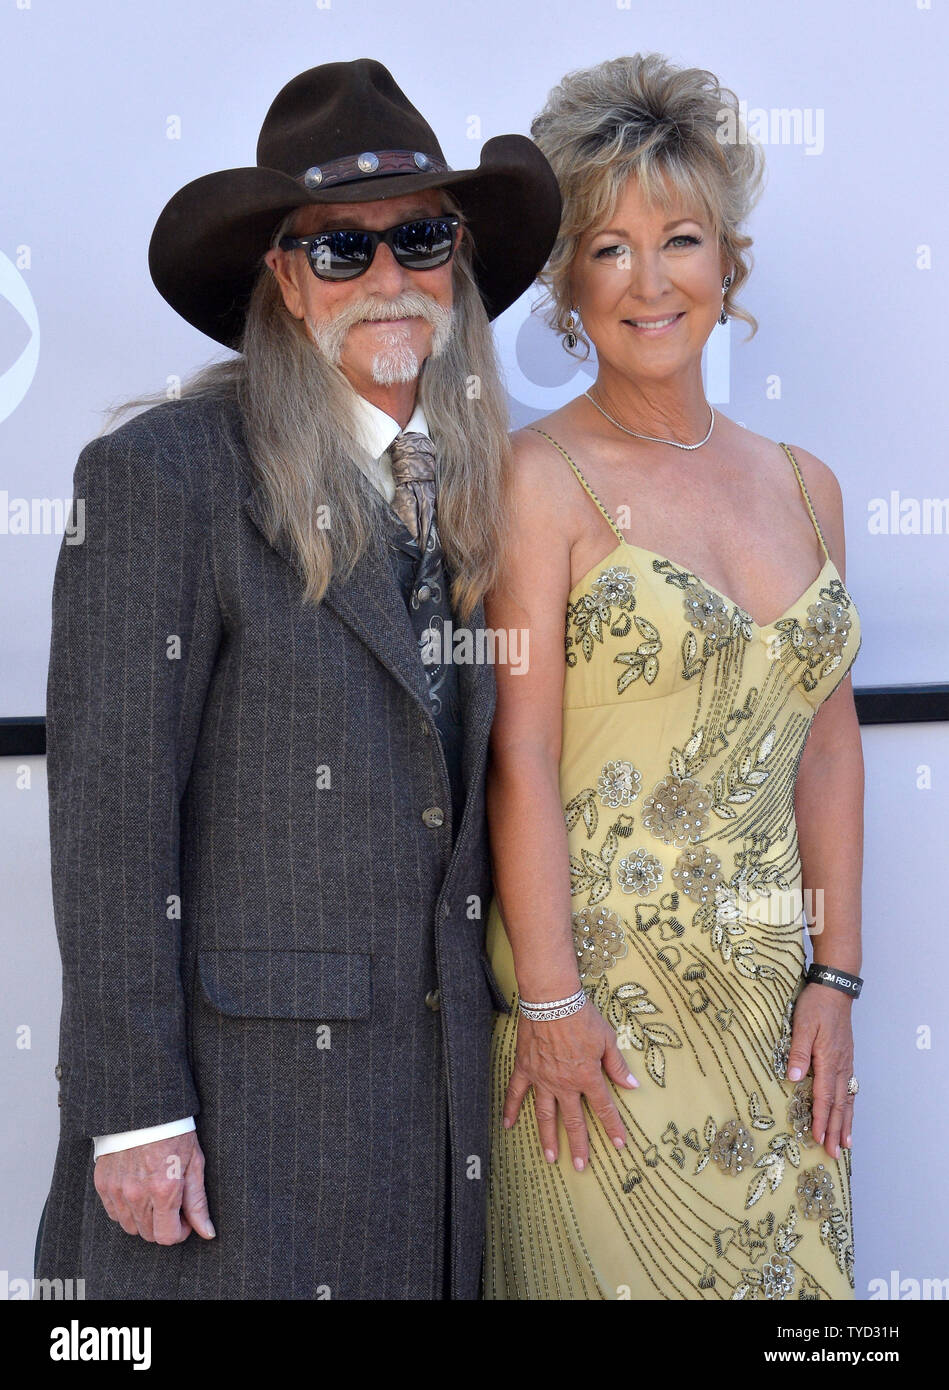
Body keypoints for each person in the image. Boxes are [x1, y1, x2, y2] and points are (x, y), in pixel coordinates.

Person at [33, 57, 560, 1300]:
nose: (387, 275)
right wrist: (132, 1111)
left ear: (458, 263)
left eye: (419, 238)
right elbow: (108, 817)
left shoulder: (483, 489)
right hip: (245, 1104)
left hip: (440, 1108)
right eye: (339, 250)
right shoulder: (164, 475)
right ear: (282, 275)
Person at [482, 53, 863, 1300]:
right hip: (599, 1025)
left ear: (727, 264)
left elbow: (826, 747)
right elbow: (519, 754)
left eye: (681, 239)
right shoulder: (535, 480)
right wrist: (550, 1004)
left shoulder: (810, 486)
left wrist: (838, 977)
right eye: (608, 249)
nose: (650, 282)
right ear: (564, 284)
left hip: (775, 1015)